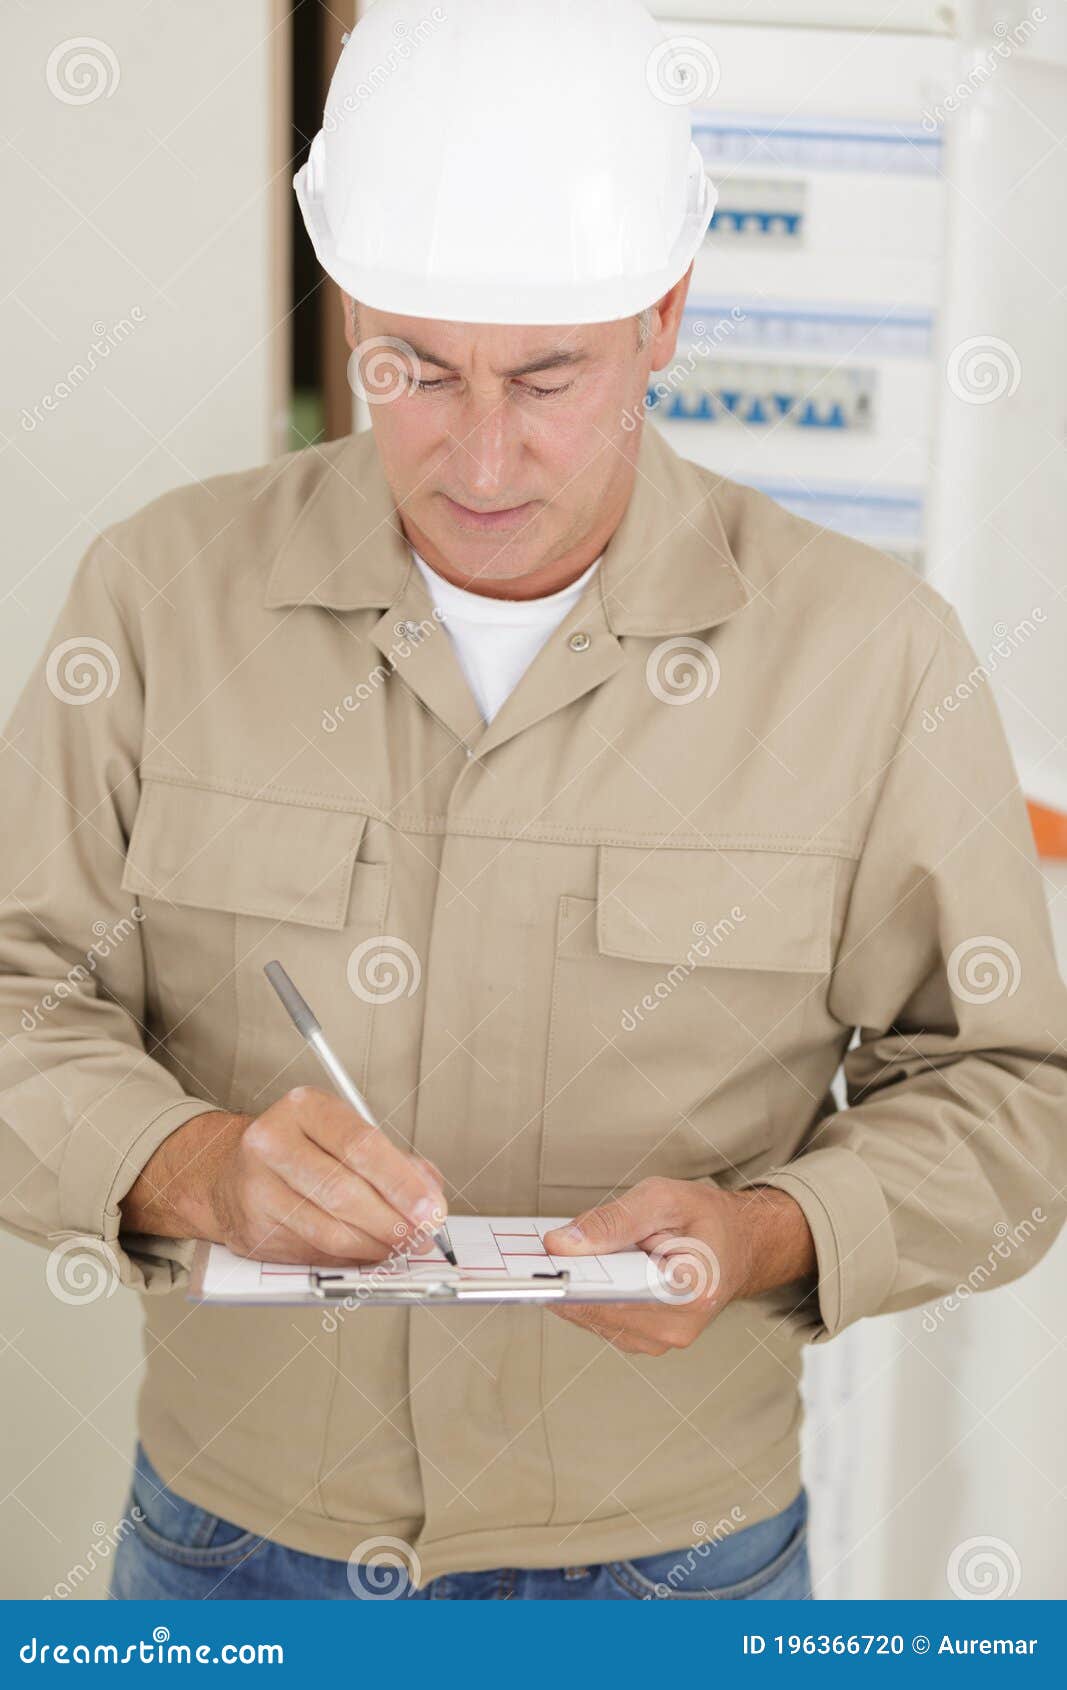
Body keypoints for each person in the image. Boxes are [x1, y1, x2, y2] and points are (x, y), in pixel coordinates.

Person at [1, 0, 1064, 1603]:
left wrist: (765, 1231)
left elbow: (1010, 1098)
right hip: (228, 1551)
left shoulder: (869, 656)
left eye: (549, 377)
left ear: (665, 314)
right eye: (416, 370)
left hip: (675, 1573)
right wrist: (193, 1165)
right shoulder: (160, 598)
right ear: (349, 305)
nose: (481, 459)